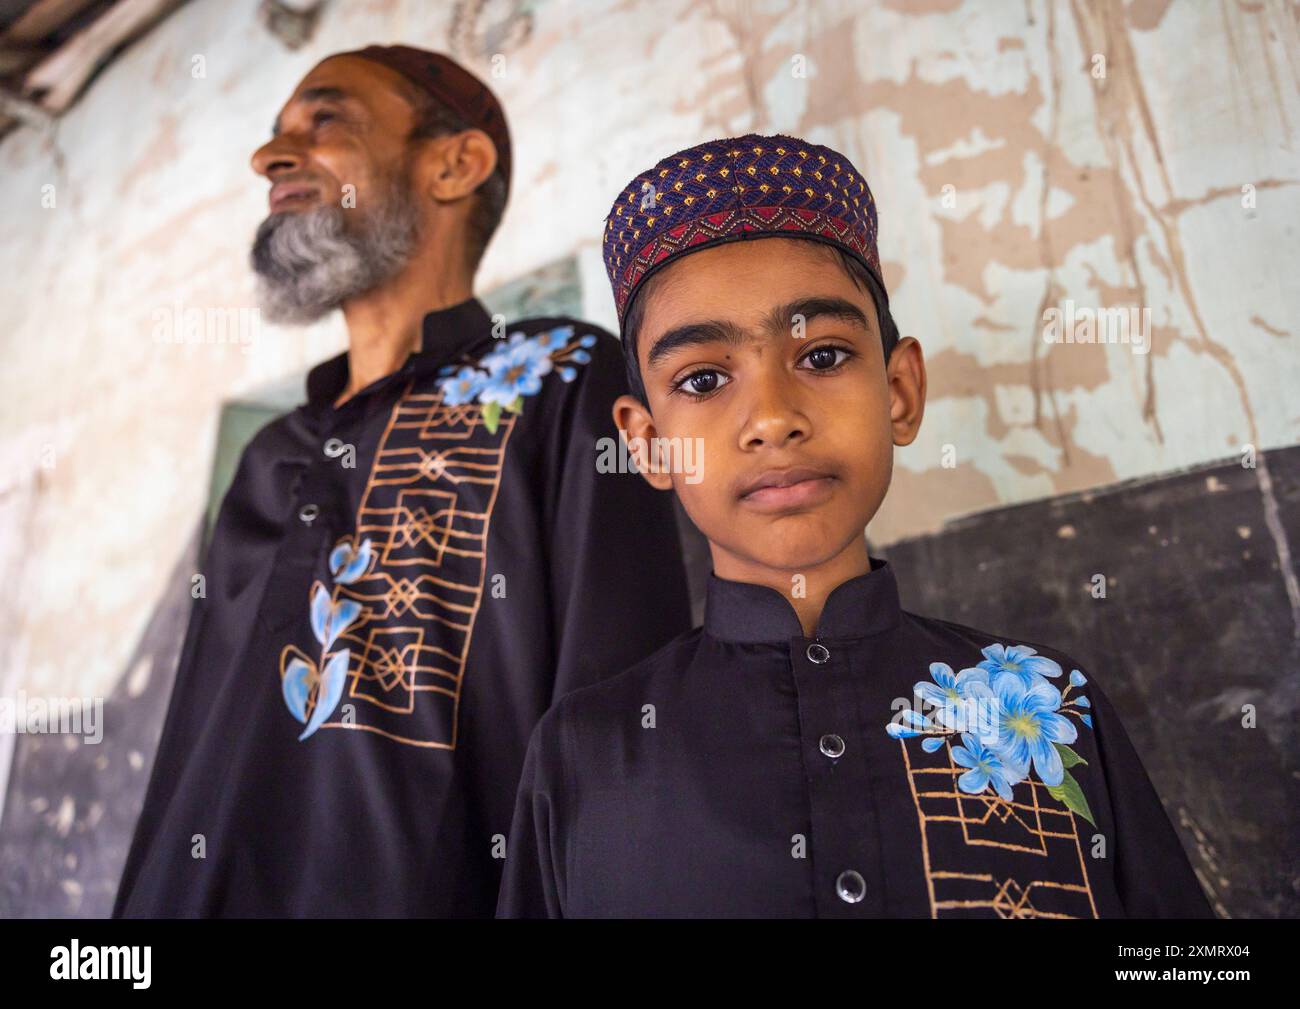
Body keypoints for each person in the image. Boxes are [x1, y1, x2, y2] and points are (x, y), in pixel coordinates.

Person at [495, 134, 1214, 918]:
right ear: (649, 443)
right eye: (703, 378)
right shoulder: (585, 753)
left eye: (824, 356)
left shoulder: (1050, 705)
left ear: (900, 393)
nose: (771, 418)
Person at [113, 45, 691, 917]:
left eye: (325, 120)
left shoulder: (563, 378)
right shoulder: (271, 454)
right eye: (274, 135)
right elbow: (185, 757)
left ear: (456, 164)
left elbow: (614, 729)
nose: (268, 159)